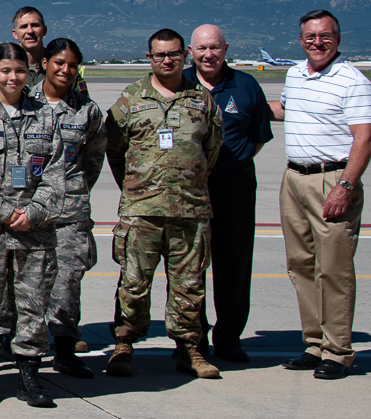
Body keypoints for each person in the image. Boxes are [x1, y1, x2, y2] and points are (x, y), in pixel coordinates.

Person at [104, 28, 223, 381]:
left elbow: (212, 150)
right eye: (160, 55)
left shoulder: (201, 100)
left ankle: (188, 348)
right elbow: (114, 150)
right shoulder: (131, 99)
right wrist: (138, 186)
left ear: (184, 56)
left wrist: (189, 182)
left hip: (190, 209)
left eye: (173, 54)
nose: (167, 60)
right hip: (141, 211)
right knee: (133, 283)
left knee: (189, 284)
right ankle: (124, 343)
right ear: (149, 58)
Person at [267, 9, 371, 380]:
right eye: (310, 37)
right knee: (301, 265)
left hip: (332, 179)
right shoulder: (295, 74)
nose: (317, 43)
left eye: (325, 36)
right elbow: (285, 110)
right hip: (294, 178)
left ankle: (338, 351)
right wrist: (237, 103)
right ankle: (314, 344)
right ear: (301, 40)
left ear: (338, 39)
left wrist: (345, 186)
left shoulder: (353, 82)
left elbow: (365, 138)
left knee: (334, 268)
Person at [0, 44, 65, 408]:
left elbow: (56, 174)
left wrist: (34, 212)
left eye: (19, 70)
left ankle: (29, 375)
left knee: (33, 304)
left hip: (35, 232)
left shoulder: (46, 117)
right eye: (5, 70)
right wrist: (3, 212)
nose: (13, 77)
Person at [186, 23, 276, 362]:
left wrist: (231, 164)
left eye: (215, 47)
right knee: (188, 264)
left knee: (234, 264)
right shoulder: (179, 82)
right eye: (202, 48)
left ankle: (229, 337)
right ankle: (193, 337)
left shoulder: (246, 85)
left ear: (226, 49)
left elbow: (258, 137)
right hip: (190, 188)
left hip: (234, 186)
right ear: (191, 52)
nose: (208, 54)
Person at [35, 38, 105, 378]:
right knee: (26, 284)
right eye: (59, 63)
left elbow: (93, 161)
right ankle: (25, 353)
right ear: (45, 63)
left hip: (69, 212)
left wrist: (71, 190)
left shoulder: (87, 111)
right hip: (28, 211)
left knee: (66, 283)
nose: (65, 70)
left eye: (72, 65)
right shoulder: (23, 101)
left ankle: (64, 350)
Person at [13, 7, 88, 98]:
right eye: (24, 26)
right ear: (15, 34)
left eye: (35, 25)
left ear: (44, 30)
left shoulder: (63, 69)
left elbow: (83, 103)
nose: (30, 31)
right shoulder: (6, 70)